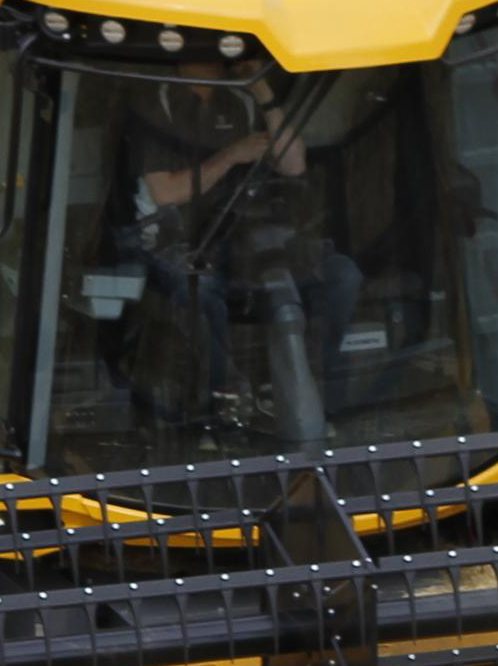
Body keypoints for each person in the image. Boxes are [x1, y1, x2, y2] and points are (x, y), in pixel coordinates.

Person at [109, 73, 361, 445]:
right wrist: (232, 155)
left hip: (250, 236)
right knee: (199, 288)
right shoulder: (155, 97)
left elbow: (293, 165)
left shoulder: (241, 99)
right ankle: (222, 405)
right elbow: (166, 192)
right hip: (180, 238)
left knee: (342, 276)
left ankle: (316, 398)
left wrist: (264, 93)